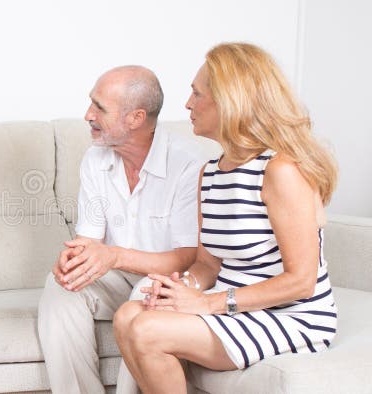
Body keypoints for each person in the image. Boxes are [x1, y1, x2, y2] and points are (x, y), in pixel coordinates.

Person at [113, 42, 339, 394]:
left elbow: (302, 281)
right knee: (127, 316)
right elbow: (206, 264)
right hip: (235, 304)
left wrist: (207, 303)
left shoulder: (280, 170)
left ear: (230, 101)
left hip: (291, 315)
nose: (187, 103)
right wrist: (177, 292)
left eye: (196, 93)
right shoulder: (211, 174)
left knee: (146, 330)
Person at [37, 65, 204, 393]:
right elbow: (89, 240)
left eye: (99, 107)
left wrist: (112, 256)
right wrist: (74, 261)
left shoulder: (187, 165)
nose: (88, 114)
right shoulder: (95, 159)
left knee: (146, 293)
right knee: (61, 288)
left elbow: (187, 259)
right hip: (118, 275)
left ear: (136, 118)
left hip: (165, 280)